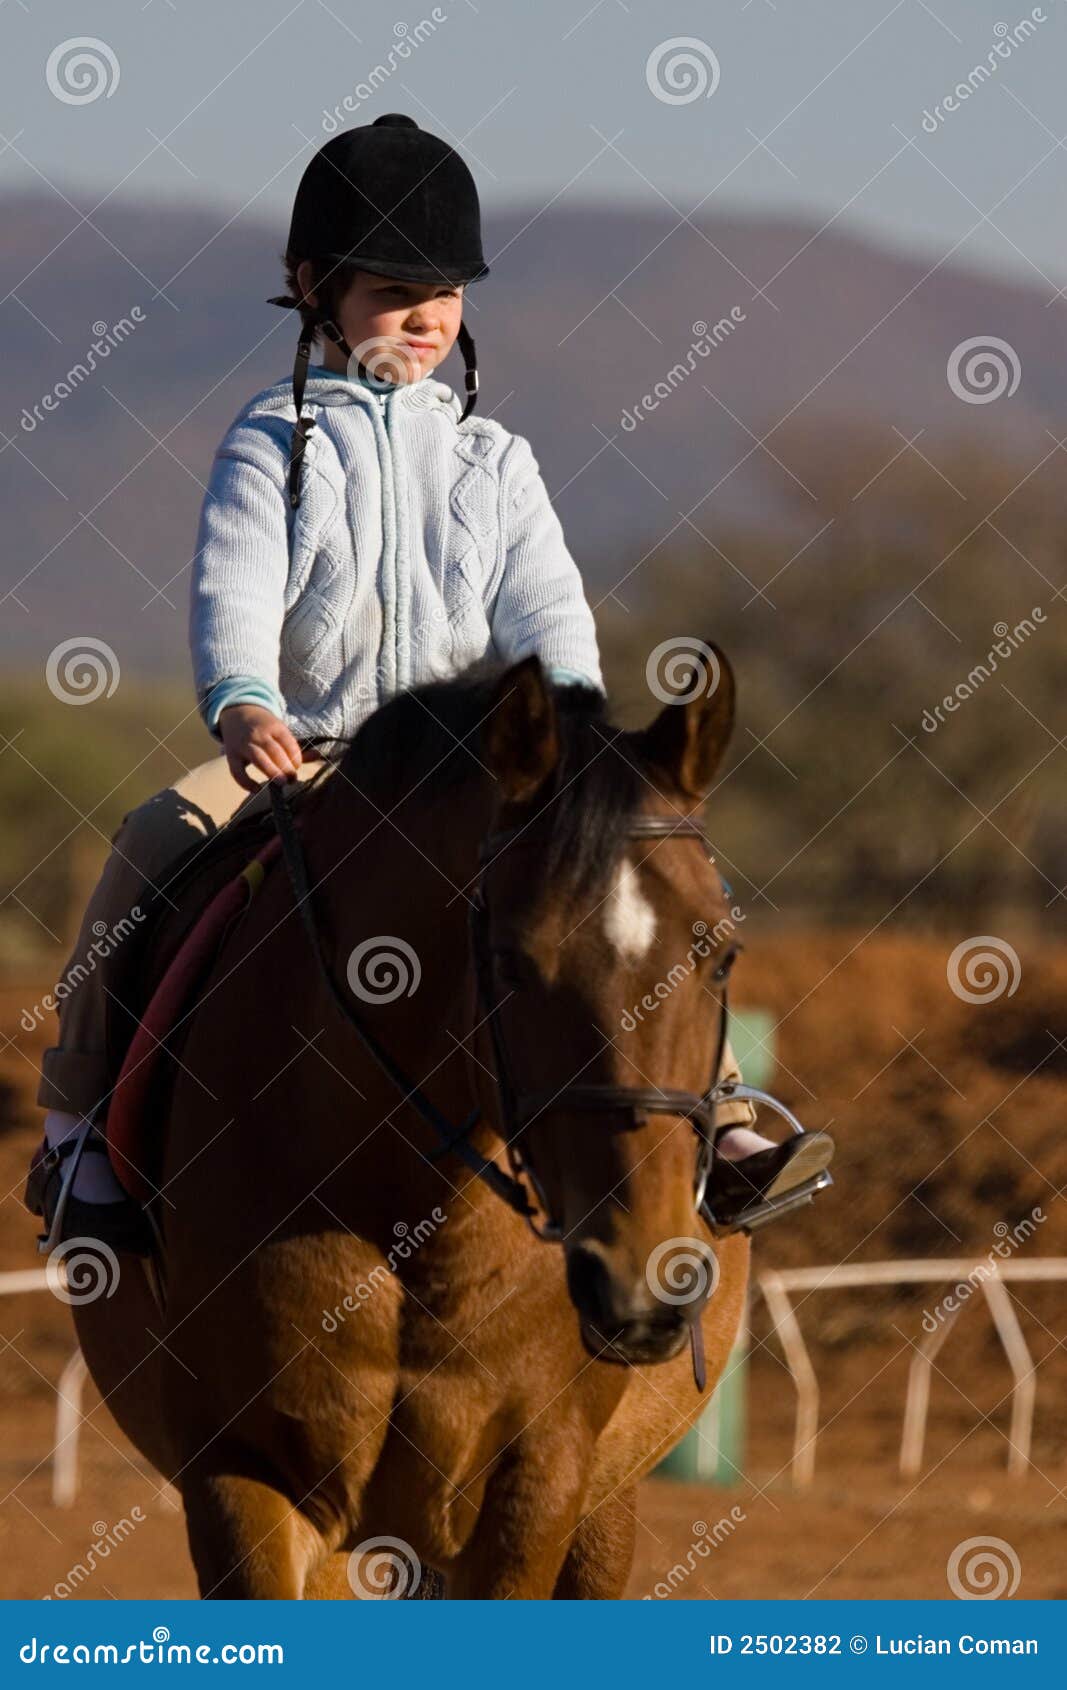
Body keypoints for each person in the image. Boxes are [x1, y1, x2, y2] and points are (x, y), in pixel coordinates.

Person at [24, 114, 831, 1257]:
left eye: (441, 294)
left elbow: (547, 607)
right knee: (152, 838)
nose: (422, 317)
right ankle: (77, 1137)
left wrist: (570, 731)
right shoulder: (271, 441)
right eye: (391, 293)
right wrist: (244, 701)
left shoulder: (496, 460)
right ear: (314, 288)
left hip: (487, 771)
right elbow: (233, 587)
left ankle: (726, 1114)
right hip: (315, 755)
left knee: (643, 872)